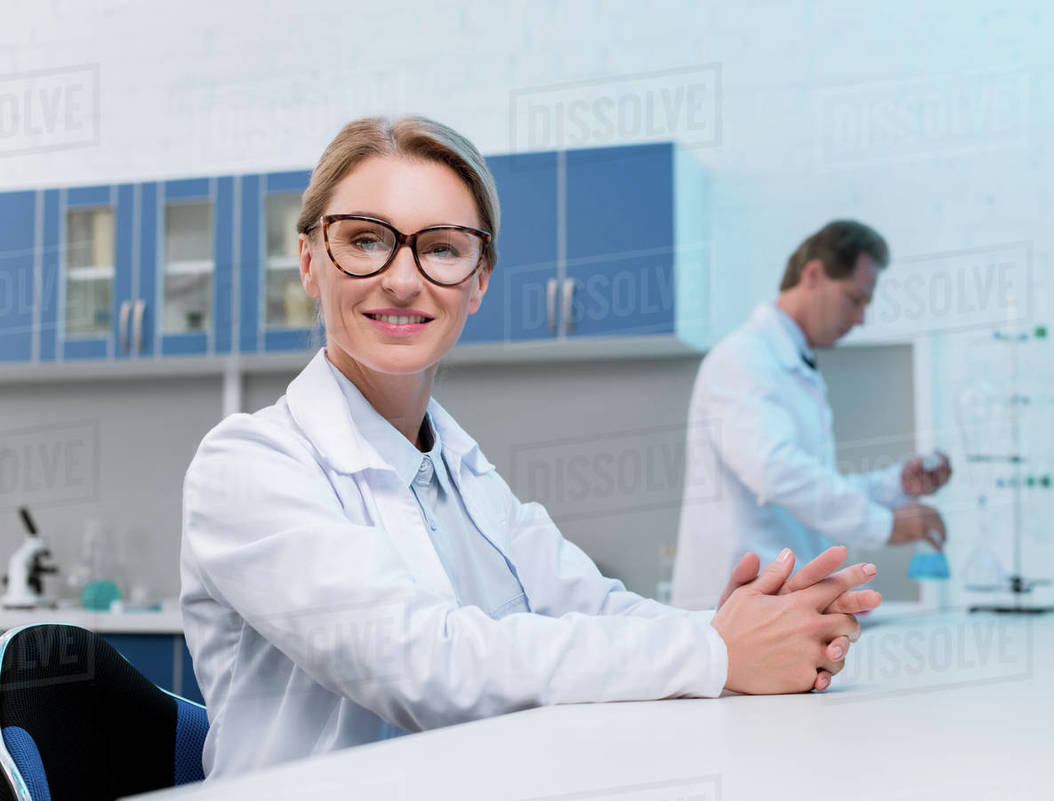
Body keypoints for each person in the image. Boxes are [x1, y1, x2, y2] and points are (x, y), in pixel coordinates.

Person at [179, 117, 883, 778]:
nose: (401, 277)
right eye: (366, 239)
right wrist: (718, 649)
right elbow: (427, 665)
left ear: (478, 281)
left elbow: (589, 603)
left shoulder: (462, 473)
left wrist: (757, 628)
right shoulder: (247, 465)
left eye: (443, 247)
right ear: (309, 261)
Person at [671, 220, 953, 610]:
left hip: (778, 604)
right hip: (736, 608)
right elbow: (776, 472)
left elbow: (812, 486)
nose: (860, 319)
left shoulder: (794, 369)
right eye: (855, 299)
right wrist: (883, 526)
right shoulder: (744, 358)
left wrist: (896, 486)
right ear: (813, 275)